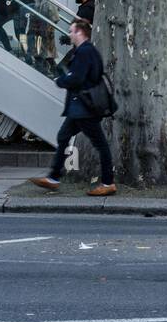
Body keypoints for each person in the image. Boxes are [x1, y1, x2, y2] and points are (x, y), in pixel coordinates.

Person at [30, 18, 117, 196]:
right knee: (63, 137)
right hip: (80, 108)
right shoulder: (85, 51)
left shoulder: (85, 51)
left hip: (85, 108)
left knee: (100, 144)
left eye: (71, 31)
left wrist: (60, 81)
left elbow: (77, 78)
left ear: (80, 32)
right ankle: (53, 178)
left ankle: (108, 183)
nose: (69, 34)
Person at [25, 0, 57, 71]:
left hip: (42, 10)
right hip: (48, 10)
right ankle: (51, 68)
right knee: (46, 40)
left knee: (36, 36)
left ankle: (43, 66)